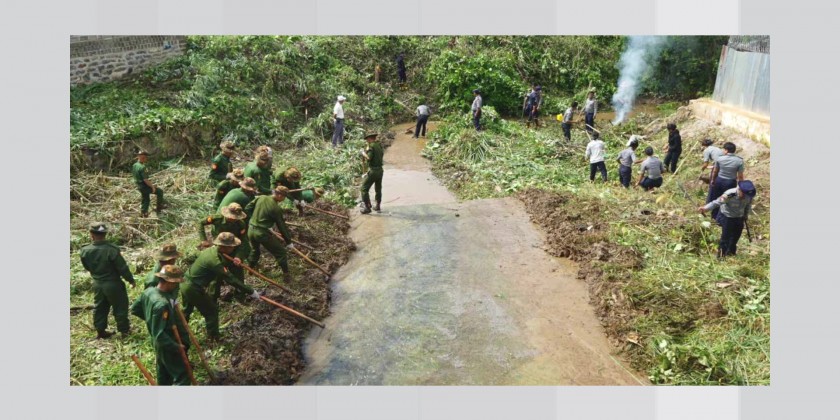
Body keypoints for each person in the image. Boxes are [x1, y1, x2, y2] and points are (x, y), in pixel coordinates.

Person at [181, 232, 260, 340]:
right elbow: (230, 279)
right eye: (232, 247)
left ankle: (178, 333)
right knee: (212, 311)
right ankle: (213, 339)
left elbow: (221, 262)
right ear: (224, 247)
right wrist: (250, 291)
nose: (233, 248)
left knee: (186, 311)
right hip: (193, 288)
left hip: (184, 283)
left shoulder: (211, 250)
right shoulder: (214, 262)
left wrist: (235, 259)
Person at [130, 264, 191, 386]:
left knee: (163, 374)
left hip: (159, 343)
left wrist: (152, 321)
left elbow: (135, 309)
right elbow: (159, 334)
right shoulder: (161, 304)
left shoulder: (148, 292)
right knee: (183, 375)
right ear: (169, 282)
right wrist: (176, 346)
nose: (176, 286)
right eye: (176, 283)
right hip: (167, 341)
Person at [79, 222, 136, 339]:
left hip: (97, 283)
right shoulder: (112, 249)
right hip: (113, 283)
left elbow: (87, 267)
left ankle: (100, 331)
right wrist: (130, 280)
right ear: (105, 234)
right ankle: (124, 332)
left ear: (91, 234)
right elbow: (122, 268)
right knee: (120, 306)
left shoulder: (85, 251)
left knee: (100, 307)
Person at [198, 203, 250, 300]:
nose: (233, 219)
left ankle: (240, 295)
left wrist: (238, 256)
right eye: (232, 217)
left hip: (232, 248)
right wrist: (203, 240)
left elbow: (243, 242)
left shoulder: (241, 224)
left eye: (236, 218)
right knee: (216, 275)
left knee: (238, 272)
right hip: (218, 249)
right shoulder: (216, 218)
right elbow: (201, 223)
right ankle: (212, 298)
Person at [245, 186, 295, 280]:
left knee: (255, 250)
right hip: (261, 233)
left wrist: (254, 220)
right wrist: (288, 242)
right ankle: (286, 275)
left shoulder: (261, 197)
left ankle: (250, 269)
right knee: (281, 252)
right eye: (284, 197)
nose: (283, 199)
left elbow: (247, 208)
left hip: (250, 230)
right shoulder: (276, 208)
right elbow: (282, 227)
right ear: (279, 195)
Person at [699, 180, 756, 258]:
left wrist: (745, 215)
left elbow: (748, 205)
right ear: (739, 190)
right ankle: (721, 256)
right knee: (726, 238)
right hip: (727, 217)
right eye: (743, 195)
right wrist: (705, 208)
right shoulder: (729, 194)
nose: (744, 197)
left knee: (736, 236)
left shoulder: (748, 195)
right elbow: (717, 202)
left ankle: (731, 253)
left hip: (739, 217)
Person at [707, 142, 745, 219]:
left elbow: (715, 171)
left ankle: (714, 216)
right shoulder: (739, 161)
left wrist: (713, 180)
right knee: (727, 199)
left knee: (716, 198)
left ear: (726, 150)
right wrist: (741, 188)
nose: (723, 151)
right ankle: (722, 218)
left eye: (724, 149)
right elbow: (740, 176)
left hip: (719, 180)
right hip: (730, 183)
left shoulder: (719, 159)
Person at [132, 150, 165, 217]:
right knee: (159, 191)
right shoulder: (142, 167)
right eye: (145, 157)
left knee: (145, 198)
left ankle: (144, 212)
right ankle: (159, 207)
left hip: (139, 185)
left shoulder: (135, 165)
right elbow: (145, 180)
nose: (146, 159)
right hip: (144, 186)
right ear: (143, 157)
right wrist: (152, 187)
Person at [360, 133, 384, 214]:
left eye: (367, 139)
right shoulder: (379, 145)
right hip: (380, 170)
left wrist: (363, 153)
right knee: (378, 188)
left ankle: (367, 207)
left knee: (363, 188)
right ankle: (377, 206)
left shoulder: (371, 146)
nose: (367, 141)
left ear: (370, 138)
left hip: (373, 171)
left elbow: (369, 158)